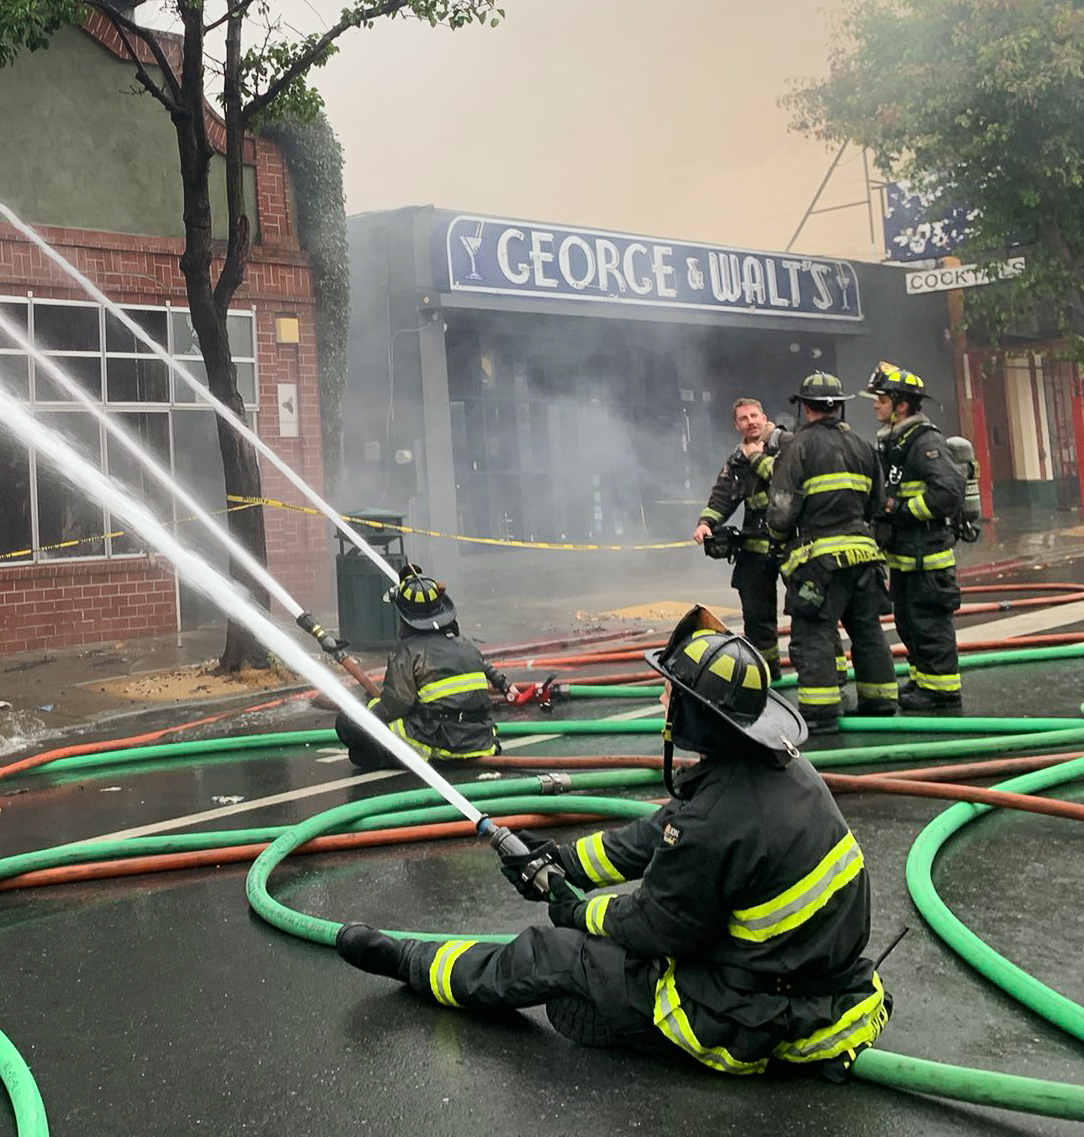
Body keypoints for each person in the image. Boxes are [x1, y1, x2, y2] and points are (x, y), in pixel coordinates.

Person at [334, 607, 889, 1077]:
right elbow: (655, 835)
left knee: (548, 954)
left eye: (673, 694)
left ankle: (412, 963)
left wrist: (572, 912)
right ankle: (607, 1002)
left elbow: (654, 928)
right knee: (593, 947)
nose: (666, 702)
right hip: (816, 983)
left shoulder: (713, 822)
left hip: (743, 1013)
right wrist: (561, 861)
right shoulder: (774, 773)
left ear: (696, 716)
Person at [766, 372, 895, 733]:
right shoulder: (863, 446)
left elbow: (782, 508)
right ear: (838, 406)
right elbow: (877, 503)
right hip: (865, 556)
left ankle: (820, 714)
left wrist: (776, 538)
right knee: (867, 628)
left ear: (805, 407)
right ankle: (881, 700)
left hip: (819, 562)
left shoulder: (797, 449)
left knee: (814, 632)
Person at [866, 363, 966, 712]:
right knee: (909, 622)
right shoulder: (895, 441)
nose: (875, 405)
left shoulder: (926, 442)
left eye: (880, 399)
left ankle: (942, 692)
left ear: (901, 405)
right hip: (906, 556)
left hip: (928, 555)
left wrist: (901, 510)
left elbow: (948, 493)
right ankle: (924, 683)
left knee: (929, 623)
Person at [335, 567, 506, 767]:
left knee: (348, 724)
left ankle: (390, 758)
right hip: (480, 739)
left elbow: (395, 706)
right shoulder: (466, 644)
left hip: (438, 741)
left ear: (404, 617)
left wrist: (369, 709)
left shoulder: (407, 652)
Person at [692, 398, 787, 680]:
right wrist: (706, 523)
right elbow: (723, 494)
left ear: (764, 416)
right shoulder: (738, 458)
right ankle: (767, 677)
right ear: (737, 426)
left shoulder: (787, 445)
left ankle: (827, 678)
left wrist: (756, 458)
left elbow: (784, 480)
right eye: (744, 418)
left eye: (754, 415)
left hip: (793, 543)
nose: (751, 422)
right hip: (757, 545)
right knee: (757, 617)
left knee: (810, 613)